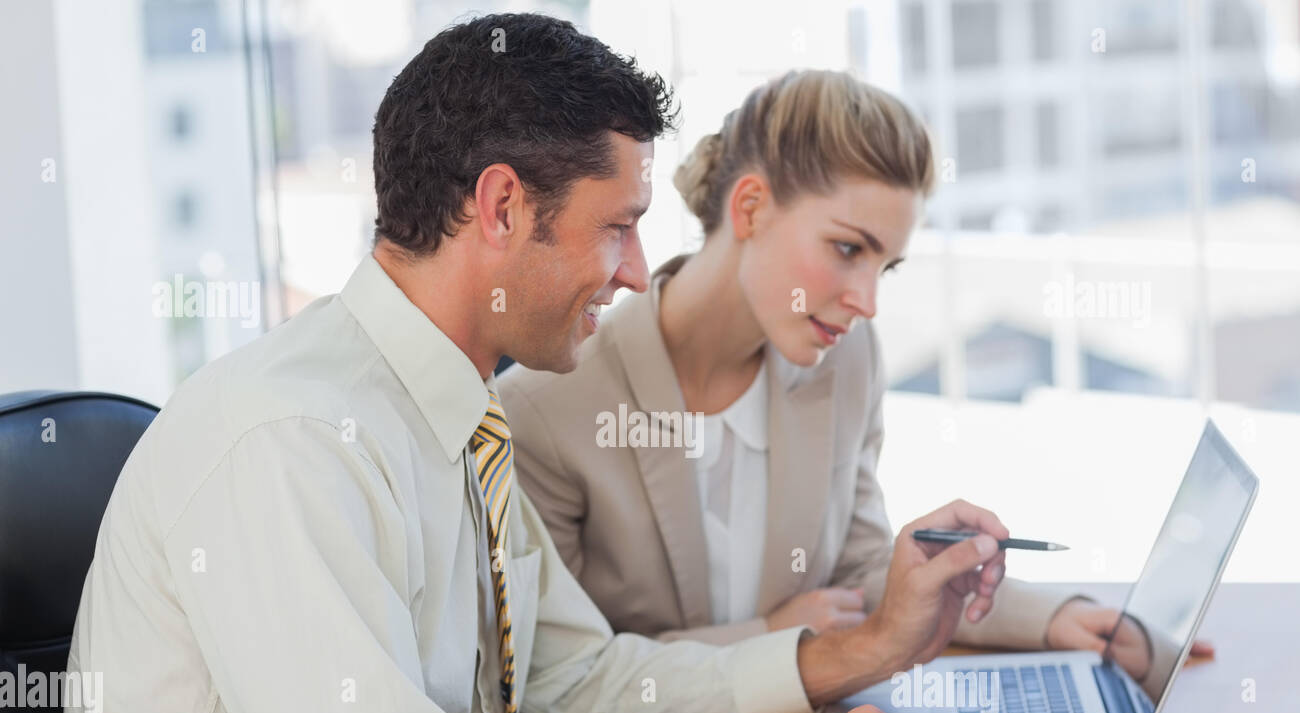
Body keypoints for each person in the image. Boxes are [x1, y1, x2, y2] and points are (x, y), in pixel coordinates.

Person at [62, 14, 1015, 713]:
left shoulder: (458, 416)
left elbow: (576, 685)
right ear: (503, 206)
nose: (639, 274)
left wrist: (844, 656)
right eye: (619, 229)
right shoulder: (291, 445)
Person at [498, 69, 1212, 676]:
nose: (866, 302)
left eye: (885, 265)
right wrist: (776, 640)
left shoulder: (843, 360)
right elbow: (559, 683)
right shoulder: (545, 403)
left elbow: (862, 577)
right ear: (749, 207)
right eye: (846, 249)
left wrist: (1063, 617)